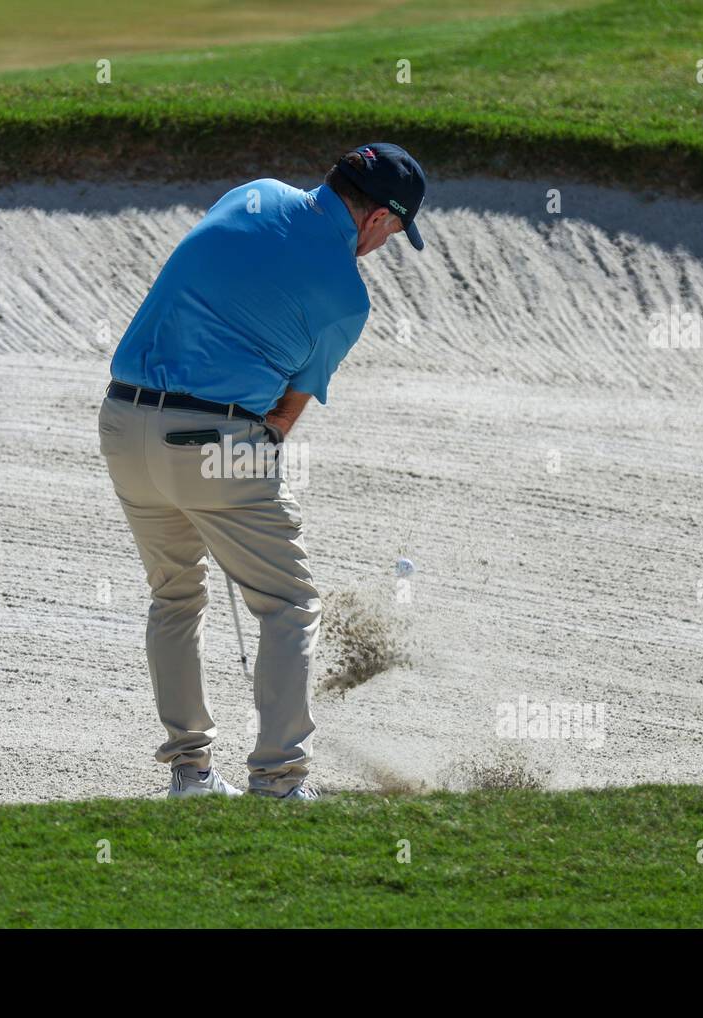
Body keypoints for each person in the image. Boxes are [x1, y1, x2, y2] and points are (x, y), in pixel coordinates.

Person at [98, 143, 427, 800]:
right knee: (288, 604)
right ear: (380, 221)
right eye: (394, 234)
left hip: (122, 422)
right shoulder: (347, 299)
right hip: (213, 439)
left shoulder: (254, 192)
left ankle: (190, 774)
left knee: (173, 596)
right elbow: (282, 417)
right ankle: (278, 779)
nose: (386, 245)